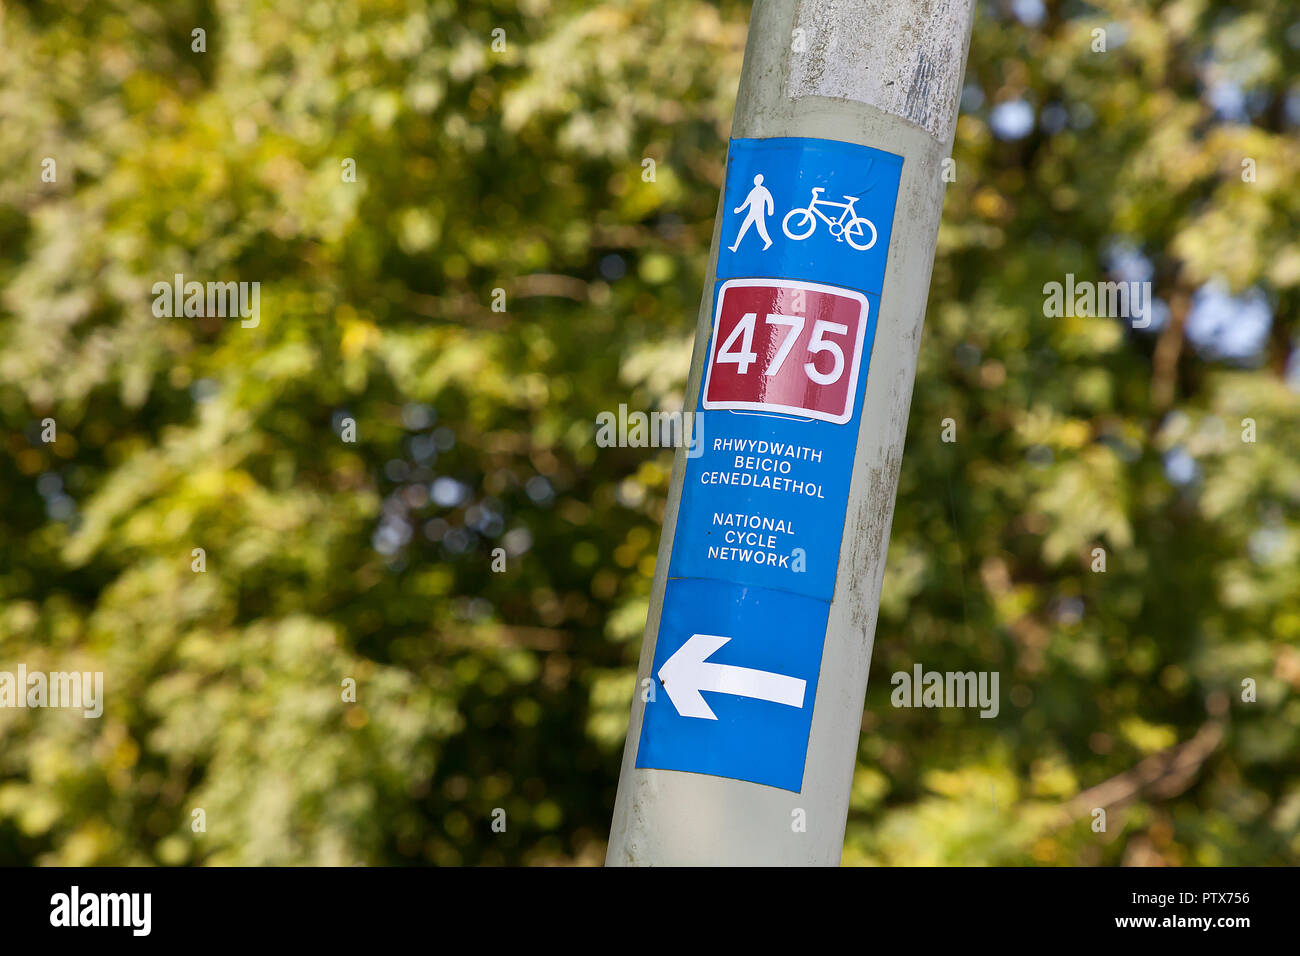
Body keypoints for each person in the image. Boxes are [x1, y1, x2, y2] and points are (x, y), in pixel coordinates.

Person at [729, 174, 774, 251]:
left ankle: (768, 241)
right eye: (755, 179)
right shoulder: (753, 191)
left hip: (759, 214)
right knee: (743, 228)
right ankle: (735, 247)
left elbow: (769, 199)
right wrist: (739, 210)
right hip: (752, 213)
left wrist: (770, 210)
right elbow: (746, 202)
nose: (756, 181)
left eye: (757, 180)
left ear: (761, 181)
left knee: (761, 229)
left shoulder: (763, 190)